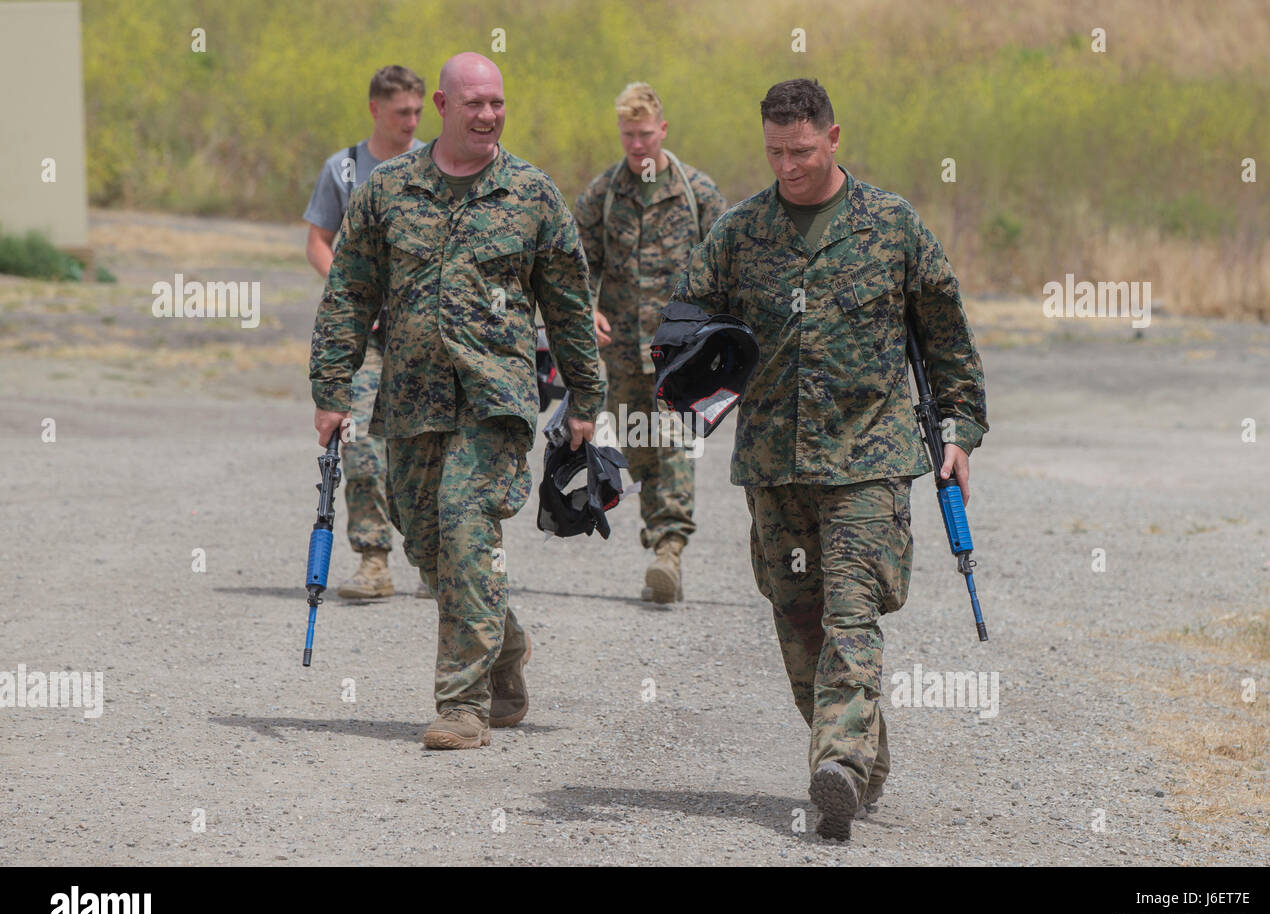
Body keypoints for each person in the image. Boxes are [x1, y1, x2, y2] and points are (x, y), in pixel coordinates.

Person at [669, 78, 988, 840]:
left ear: (833, 138)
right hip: (775, 465)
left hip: (869, 456)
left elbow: (945, 335)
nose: (789, 166)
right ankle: (858, 755)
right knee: (800, 622)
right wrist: (691, 369)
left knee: (851, 612)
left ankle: (838, 763)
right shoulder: (741, 233)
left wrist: (959, 432)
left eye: (802, 151)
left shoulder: (891, 226)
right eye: (776, 152)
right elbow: (684, 323)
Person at [309, 52, 604, 749]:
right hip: (410, 401)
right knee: (428, 544)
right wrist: (330, 391)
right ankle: (504, 645)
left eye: (497, 102)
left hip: (495, 402)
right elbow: (349, 292)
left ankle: (462, 705)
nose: (489, 115)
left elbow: (568, 306)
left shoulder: (531, 194)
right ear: (441, 105)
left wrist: (586, 399)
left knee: (466, 528)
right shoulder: (387, 191)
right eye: (474, 103)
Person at [573, 83, 726, 604]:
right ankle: (659, 536)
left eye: (644, 134)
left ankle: (670, 548)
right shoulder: (604, 193)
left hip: (680, 347)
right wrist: (584, 308)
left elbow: (725, 265)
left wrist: (719, 329)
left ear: (662, 130)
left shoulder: (696, 191)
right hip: (622, 349)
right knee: (638, 448)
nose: (636, 144)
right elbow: (576, 264)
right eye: (627, 135)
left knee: (676, 444)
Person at [303, 64, 427, 600]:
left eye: (419, 112)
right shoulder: (346, 170)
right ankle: (373, 560)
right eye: (403, 112)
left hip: (423, 333)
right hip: (365, 336)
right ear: (376, 109)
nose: (412, 122)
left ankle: (436, 562)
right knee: (358, 445)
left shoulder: (433, 164)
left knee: (427, 448)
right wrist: (351, 288)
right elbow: (317, 240)